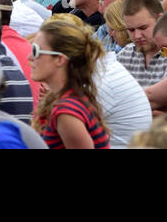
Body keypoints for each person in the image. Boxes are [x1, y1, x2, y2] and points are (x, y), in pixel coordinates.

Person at [27, 16, 110, 149]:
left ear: (60, 59)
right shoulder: (66, 98)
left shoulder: (66, 112)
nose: (29, 57)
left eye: (35, 51)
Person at [115, 0, 167, 89]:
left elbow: (165, 95)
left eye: (143, 28)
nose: (137, 36)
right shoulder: (126, 53)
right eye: (131, 30)